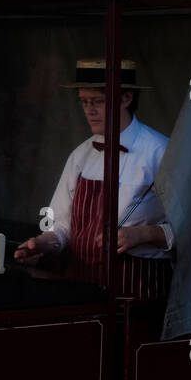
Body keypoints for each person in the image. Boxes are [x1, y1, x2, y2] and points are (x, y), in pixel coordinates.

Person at [13, 59, 174, 301]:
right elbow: (62, 226)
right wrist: (44, 242)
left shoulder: (161, 152)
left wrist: (143, 234)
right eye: (84, 102)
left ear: (126, 99)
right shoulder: (81, 155)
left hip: (138, 289)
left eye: (97, 101)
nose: (89, 110)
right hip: (81, 288)